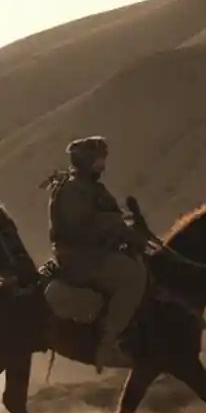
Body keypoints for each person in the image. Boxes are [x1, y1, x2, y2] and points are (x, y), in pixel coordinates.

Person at [47, 136, 150, 371]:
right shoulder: (73, 190)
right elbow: (78, 228)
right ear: (86, 162)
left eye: (102, 159)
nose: (102, 165)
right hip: (80, 258)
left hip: (94, 252)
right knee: (133, 277)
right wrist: (113, 228)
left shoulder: (91, 188)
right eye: (98, 160)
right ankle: (108, 343)